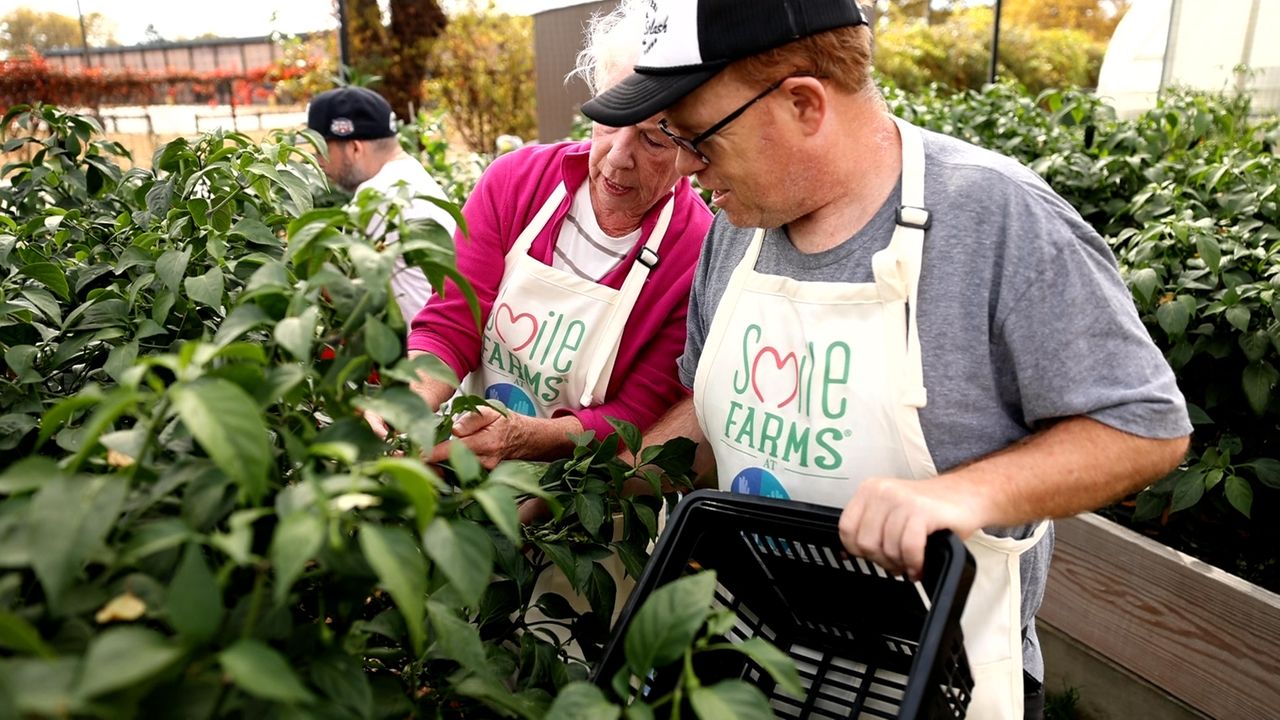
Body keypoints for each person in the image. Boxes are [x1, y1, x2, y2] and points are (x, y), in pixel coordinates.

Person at [580, 1, 1192, 718]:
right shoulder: (734, 230)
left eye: (697, 141)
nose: (682, 168)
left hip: (934, 678)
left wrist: (958, 496)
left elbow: (1146, 425)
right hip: (744, 659)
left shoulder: (997, 221)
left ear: (804, 104)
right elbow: (709, 414)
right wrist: (593, 487)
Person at [395, 0, 713, 470]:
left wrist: (527, 438)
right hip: (462, 455)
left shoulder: (694, 252)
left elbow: (635, 414)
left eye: (653, 139)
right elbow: (453, 320)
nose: (617, 158)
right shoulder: (515, 181)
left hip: (578, 492)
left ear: (692, 143)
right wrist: (410, 406)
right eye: (610, 120)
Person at [306, 86, 456, 324]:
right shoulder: (412, 175)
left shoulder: (376, 195)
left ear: (355, 148)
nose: (319, 161)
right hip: (444, 347)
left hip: (415, 353)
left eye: (322, 149)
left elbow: (351, 300)